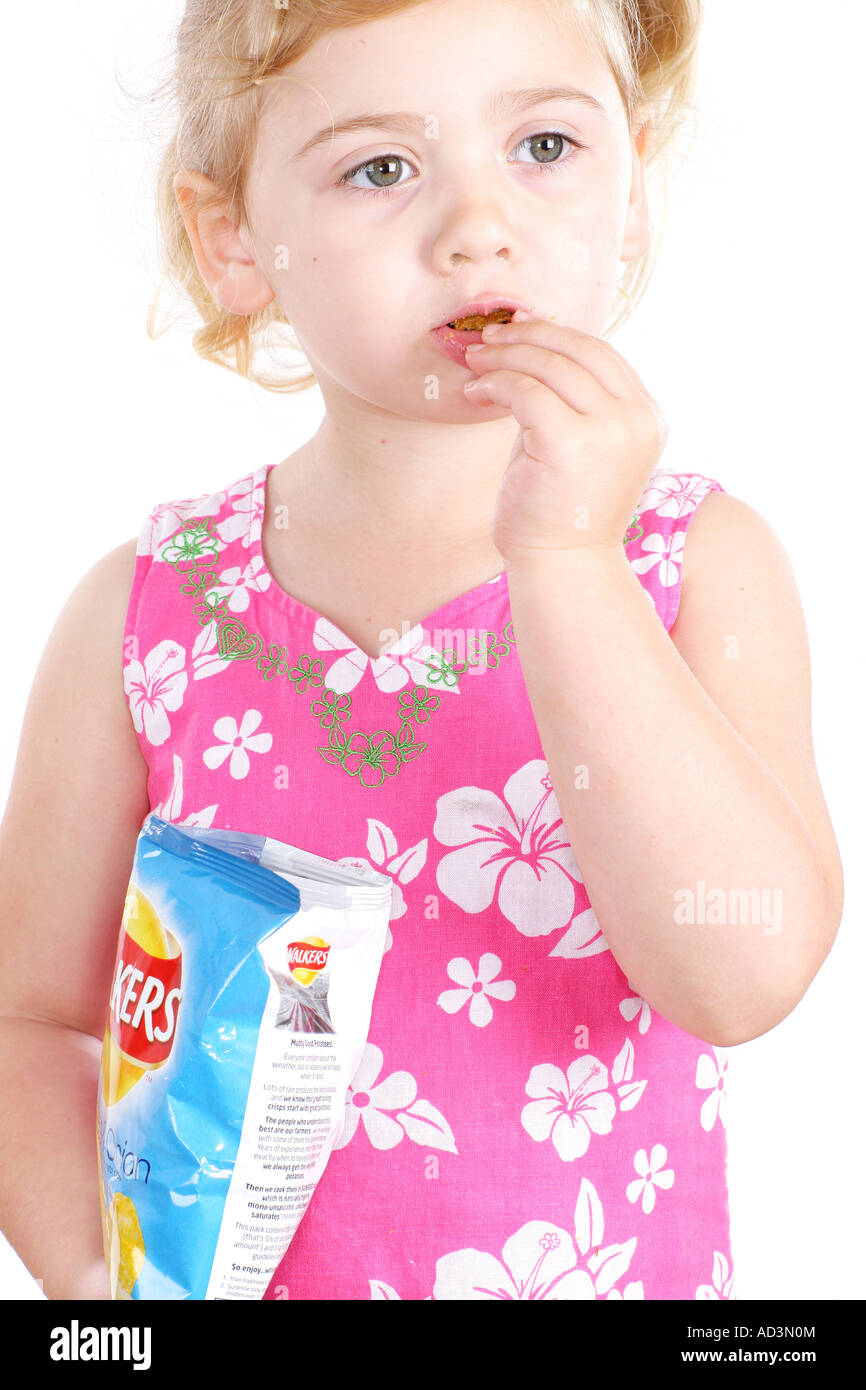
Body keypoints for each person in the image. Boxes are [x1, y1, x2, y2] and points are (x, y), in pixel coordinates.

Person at [0, 0, 844, 1301]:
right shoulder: (148, 611)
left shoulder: (693, 567)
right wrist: (112, 1301)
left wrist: (570, 562)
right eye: (380, 166)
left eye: (544, 146)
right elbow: (34, 1021)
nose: (476, 227)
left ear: (630, 192)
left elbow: (741, 978)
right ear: (233, 242)